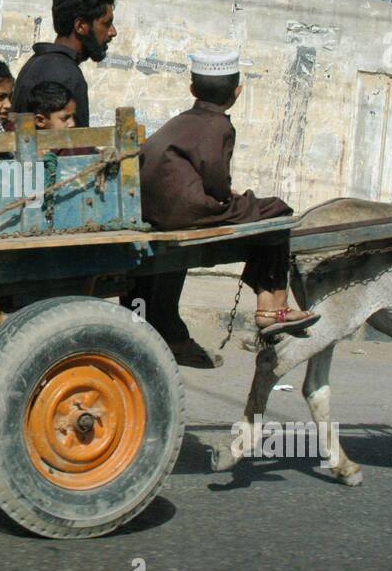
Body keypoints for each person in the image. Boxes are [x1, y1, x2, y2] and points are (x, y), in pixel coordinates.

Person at [127, 48, 318, 366]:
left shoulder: (181, 120)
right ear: (237, 92)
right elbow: (216, 182)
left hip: (153, 209)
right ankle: (272, 306)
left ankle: (263, 307)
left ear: (192, 90)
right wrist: (227, 197)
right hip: (187, 211)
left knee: (255, 209)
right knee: (277, 212)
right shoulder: (219, 125)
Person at [9, 0, 117, 128]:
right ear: (80, 26)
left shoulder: (38, 62)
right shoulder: (67, 74)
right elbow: (75, 147)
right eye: (106, 24)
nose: (113, 32)